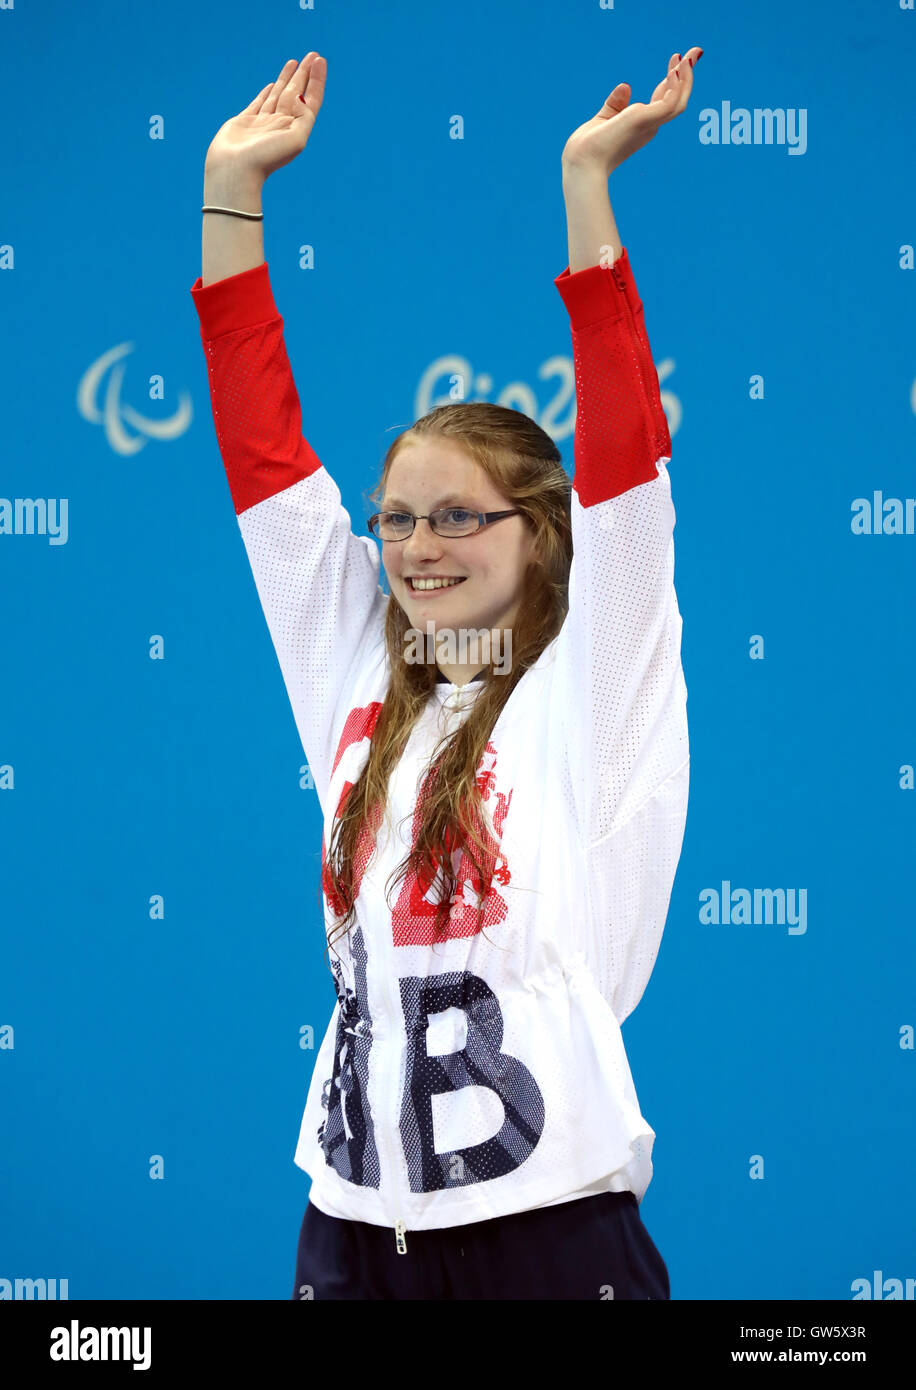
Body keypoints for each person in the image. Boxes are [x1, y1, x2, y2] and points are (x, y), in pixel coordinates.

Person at [190, 46, 701, 1300]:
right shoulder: (351, 662)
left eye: (459, 518)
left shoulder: (594, 673)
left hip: (547, 1236)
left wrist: (587, 187)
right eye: (398, 519)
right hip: (351, 1233)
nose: (417, 548)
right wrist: (228, 193)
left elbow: (629, 468)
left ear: (542, 532)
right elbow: (263, 460)